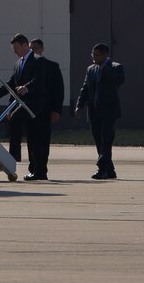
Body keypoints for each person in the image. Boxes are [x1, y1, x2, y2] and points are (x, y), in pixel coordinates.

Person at [0, 34, 42, 174]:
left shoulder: (38, 60)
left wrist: (27, 88)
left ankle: (15, 156)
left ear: (25, 45)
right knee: (29, 134)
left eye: (16, 48)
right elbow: (12, 83)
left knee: (25, 128)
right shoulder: (18, 63)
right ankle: (30, 166)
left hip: (34, 103)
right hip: (22, 104)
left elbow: (40, 80)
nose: (14, 51)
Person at [75, 43, 125, 180]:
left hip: (109, 111)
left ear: (105, 55)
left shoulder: (115, 67)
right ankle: (110, 170)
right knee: (98, 140)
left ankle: (102, 170)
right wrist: (80, 106)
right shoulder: (90, 69)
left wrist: (105, 69)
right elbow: (85, 88)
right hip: (94, 110)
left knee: (106, 140)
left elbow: (120, 80)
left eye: (97, 55)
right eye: (93, 54)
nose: (94, 57)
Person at [27, 38, 64, 179]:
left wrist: (57, 110)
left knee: (42, 141)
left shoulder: (52, 66)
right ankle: (33, 168)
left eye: (35, 48)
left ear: (42, 49)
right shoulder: (25, 66)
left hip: (45, 110)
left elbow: (58, 90)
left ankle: (41, 171)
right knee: (31, 141)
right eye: (30, 49)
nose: (33, 51)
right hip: (29, 110)